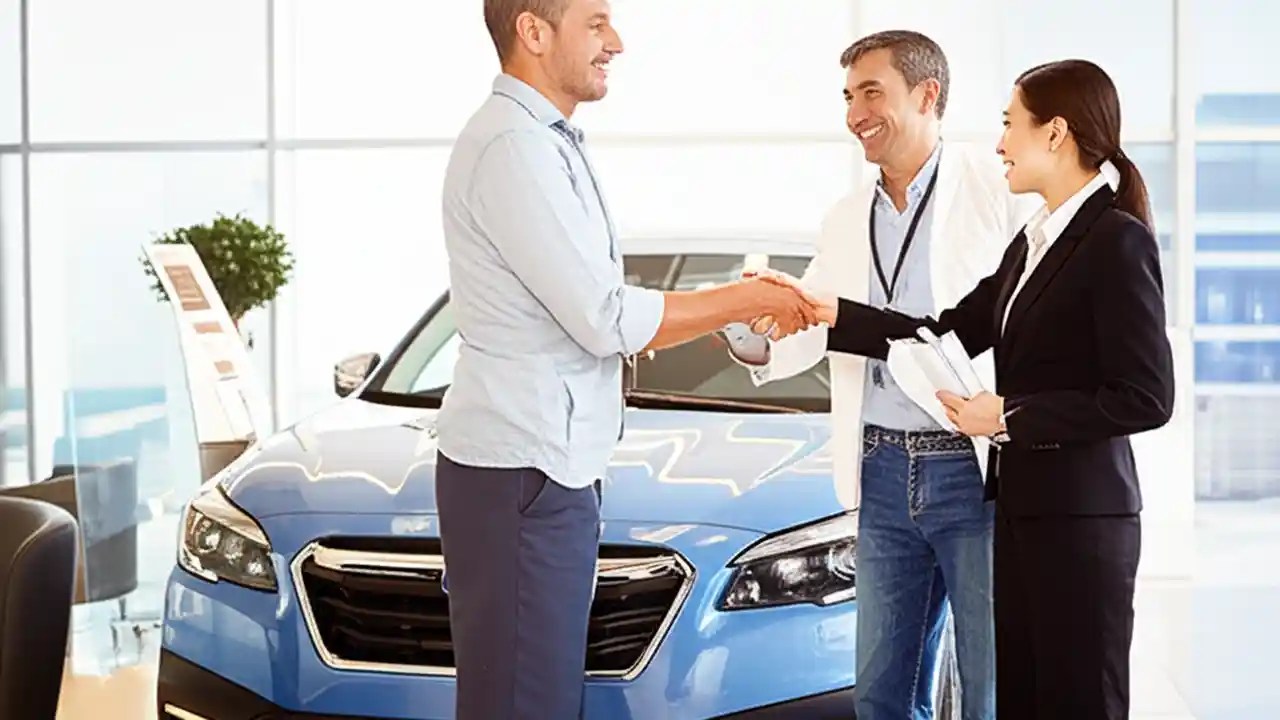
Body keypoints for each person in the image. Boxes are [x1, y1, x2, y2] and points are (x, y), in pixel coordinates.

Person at [434, 1, 821, 718]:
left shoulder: (543, 141)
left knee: (538, 695)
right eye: (596, 22)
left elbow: (592, 306)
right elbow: (605, 317)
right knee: (525, 702)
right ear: (533, 31)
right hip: (524, 467)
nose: (616, 42)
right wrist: (740, 299)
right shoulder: (515, 148)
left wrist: (711, 315)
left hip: (543, 465)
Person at [773, 59, 1176, 719]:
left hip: (1082, 523)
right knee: (1020, 699)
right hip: (1021, 513)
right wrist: (832, 313)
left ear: (1055, 133)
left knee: (1078, 701)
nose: (999, 143)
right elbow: (944, 334)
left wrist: (1009, 415)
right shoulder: (1034, 242)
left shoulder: (1115, 241)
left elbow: (1145, 396)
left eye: (1010, 124)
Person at [727, 30, 1037, 720]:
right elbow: (811, 323)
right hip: (883, 469)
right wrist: (751, 336)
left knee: (989, 688)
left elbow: (1022, 321)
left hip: (970, 468)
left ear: (927, 95)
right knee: (879, 693)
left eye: (872, 93)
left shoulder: (997, 191)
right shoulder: (846, 217)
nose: (854, 114)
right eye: (847, 97)